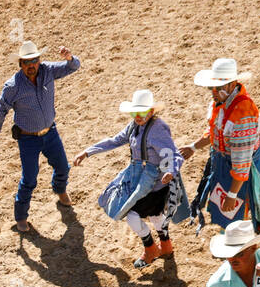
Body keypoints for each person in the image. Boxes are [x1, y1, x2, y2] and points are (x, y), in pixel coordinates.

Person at [73, 89, 192, 268]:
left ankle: (150, 248)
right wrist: (88, 152)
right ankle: (166, 246)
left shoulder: (157, 129)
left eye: (142, 112)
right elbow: (114, 140)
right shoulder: (133, 127)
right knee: (154, 214)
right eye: (134, 112)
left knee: (132, 215)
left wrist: (171, 171)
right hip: (143, 180)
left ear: (151, 112)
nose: (137, 116)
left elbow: (173, 154)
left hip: (156, 183)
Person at [0, 41, 80, 232]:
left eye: (34, 61)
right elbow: (1, 108)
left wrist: (69, 57)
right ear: (20, 64)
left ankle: (60, 190)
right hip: (28, 139)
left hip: (50, 132)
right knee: (29, 179)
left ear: (39, 61)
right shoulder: (12, 86)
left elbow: (73, 67)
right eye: (26, 62)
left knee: (63, 166)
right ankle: (21, 217)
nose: (31, 65)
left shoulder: (48, 71)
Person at [180, 58, 260, 232]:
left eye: (218, 88)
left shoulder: (242, 116)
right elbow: (216, 132)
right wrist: (194, 147)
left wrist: (231, 194)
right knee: (226, 210)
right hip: (224, 160)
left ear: (232, 85)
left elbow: (242, 163)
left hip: (239, 167)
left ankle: (238, 241)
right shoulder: (220, 103)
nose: (213, 92)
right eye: (211, 88)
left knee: (237, 210)